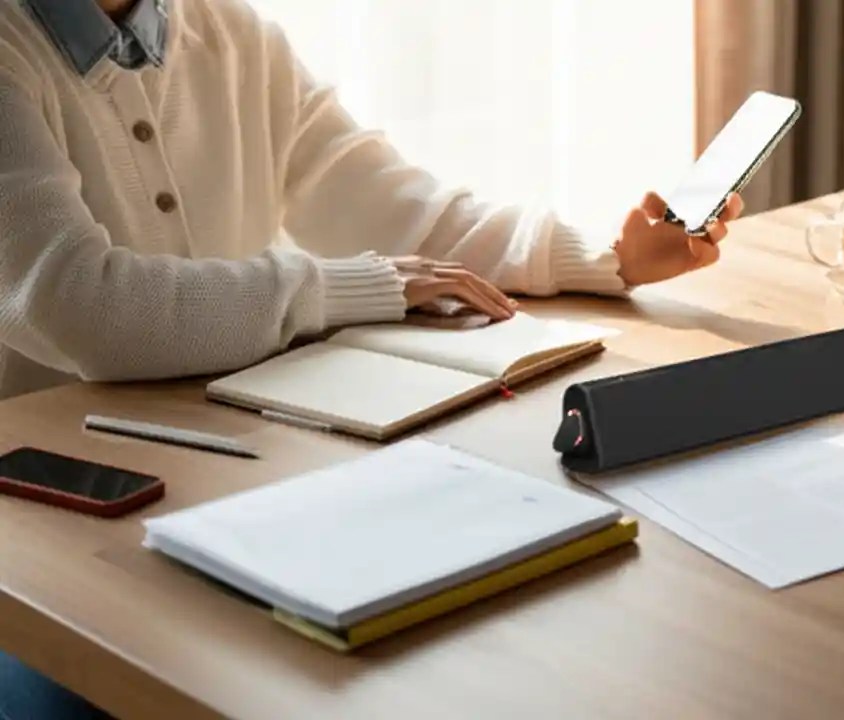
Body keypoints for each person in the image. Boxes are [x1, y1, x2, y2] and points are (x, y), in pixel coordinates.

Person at [0, 0, 744, 716]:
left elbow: (399, 210)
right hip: (50, 532)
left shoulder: (231, 31)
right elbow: (81, 306)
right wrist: (350, 287)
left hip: (227, 488)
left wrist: (609, 260)